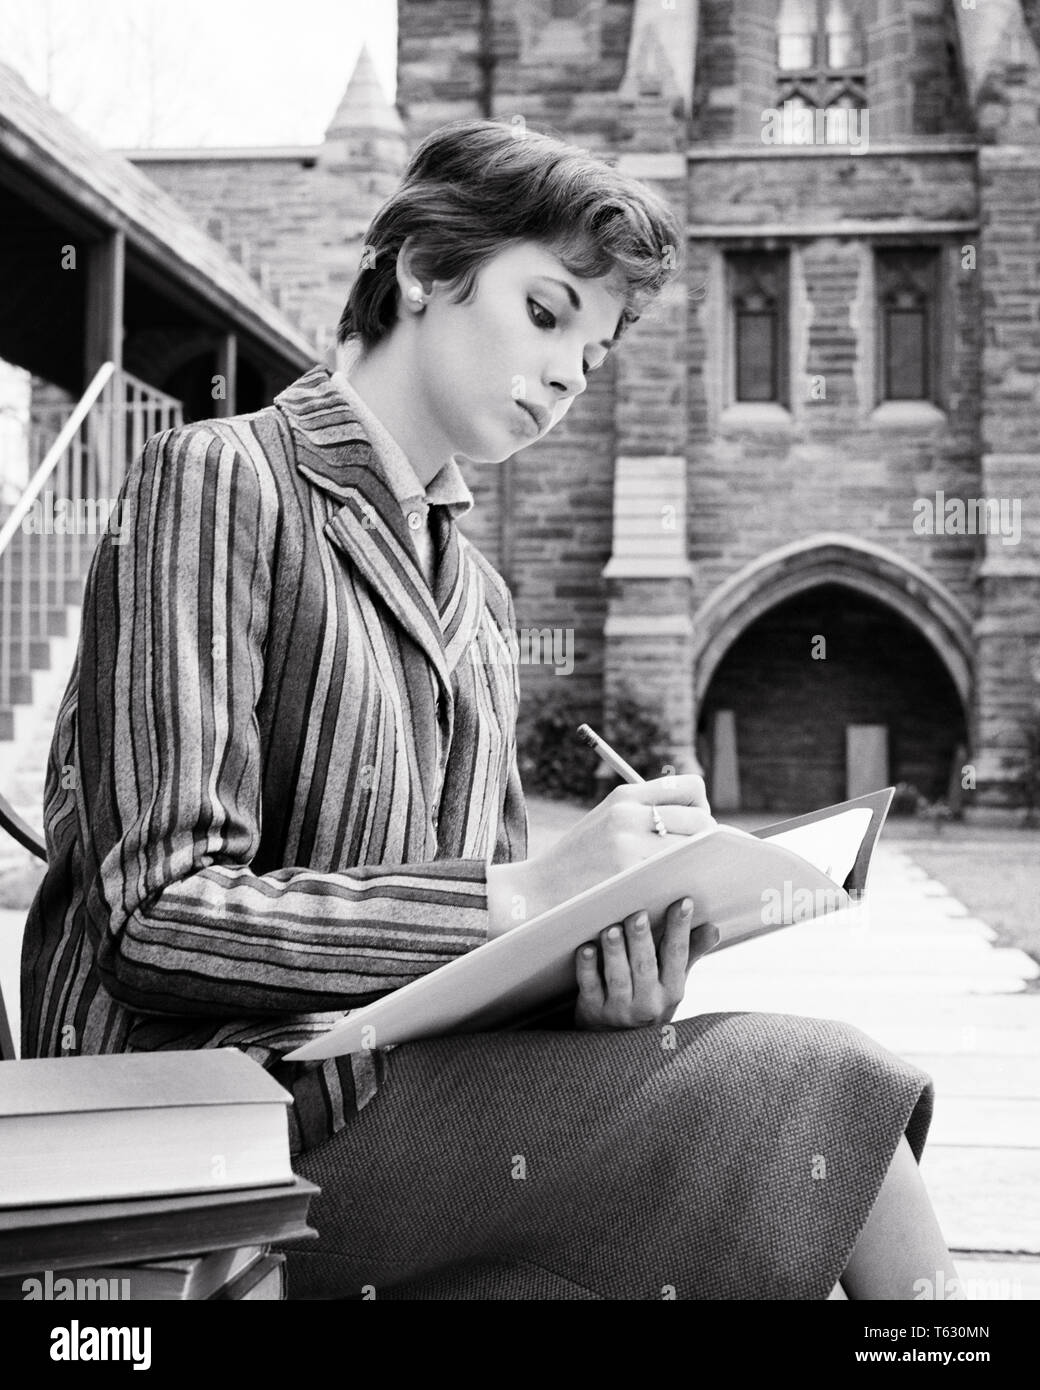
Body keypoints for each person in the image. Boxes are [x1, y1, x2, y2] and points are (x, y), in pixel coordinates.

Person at [21, 118, 962, 1301]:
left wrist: (595, 971)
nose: (572, 368)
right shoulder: (219, 481)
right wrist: (525, 894)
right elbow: (153, 915)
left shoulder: (477, 594)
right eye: (547, 309)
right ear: (423, 268)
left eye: (599, 348)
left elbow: (473, 950)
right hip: (199, 1117)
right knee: (828, 1102)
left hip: (397, 1098)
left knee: (743, 1163)